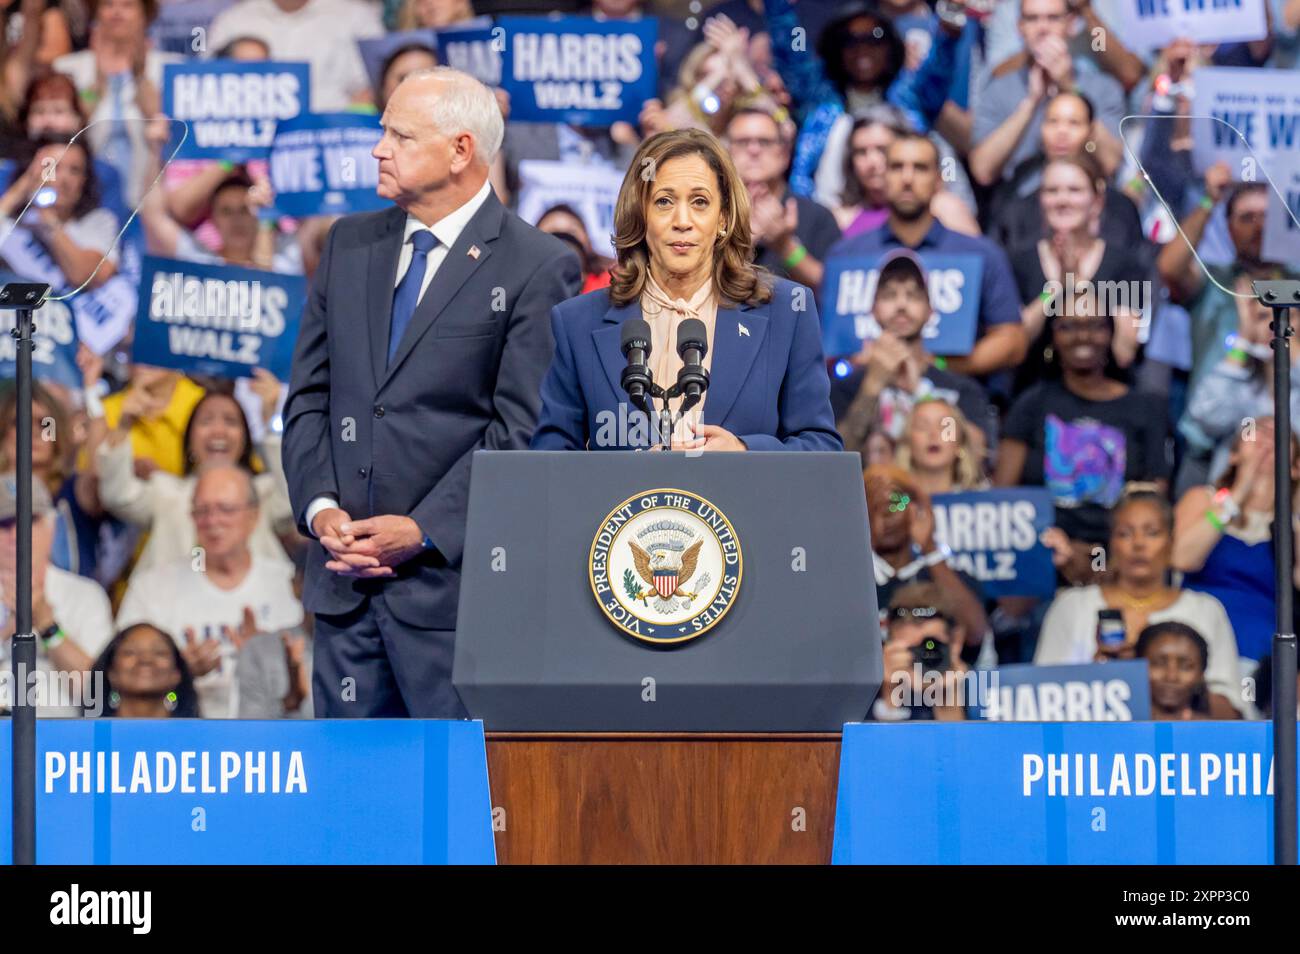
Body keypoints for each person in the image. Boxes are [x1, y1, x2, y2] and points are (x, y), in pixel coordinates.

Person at [283, 67, 581, 718]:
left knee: (453, 805)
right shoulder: (348, 244)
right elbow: (309, 395)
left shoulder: (536, 265)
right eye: (381, 131)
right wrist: (321, 509)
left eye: (400, 135)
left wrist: (421, 529)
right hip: (344, 591)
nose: (378, 148)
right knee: (353, 804)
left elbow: (519, 433)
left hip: (455, 599)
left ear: (460, 150)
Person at [530, 127, 841, 453]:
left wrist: (745, 452)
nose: (682, 220)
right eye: (664, 201)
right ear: (641, 215)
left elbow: (821, 448)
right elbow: (550, 463)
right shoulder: (578, 321)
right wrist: (622, 477)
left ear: (723, 218)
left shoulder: (786, 311)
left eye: (700, 202)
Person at [825, 134, 1027, 378]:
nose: (907, 179)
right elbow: (821, 345)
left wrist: (937, 366)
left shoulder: (981, 254)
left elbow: (1013, 342)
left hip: (954, 403)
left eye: (920, 168)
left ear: (938, 181)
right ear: (884, 177)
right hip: (859, 402)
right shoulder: (845, 254)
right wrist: (855, 366)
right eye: (897, 167)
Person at [1034, 486, 1245, 717]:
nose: (1138, 544)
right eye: (1125, 533)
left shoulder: (1205, 609)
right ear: (1111, 543)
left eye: (1152, 532)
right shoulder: (1072, 606)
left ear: (1171, 541)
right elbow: (1042, 700)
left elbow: (1231, 710)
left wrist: (1181, 690)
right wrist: (1095, 678)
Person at [115, 466, 303, 718]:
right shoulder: (151, 587)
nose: (212, 521)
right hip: (181, 739)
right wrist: (179, 675)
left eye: (225, 509)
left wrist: (262, 661)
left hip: (271, 739)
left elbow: (306, 690)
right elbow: (119, 687)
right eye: (202, 511)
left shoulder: (289, 585)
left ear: (254, 516)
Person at [995, 311, 1170, 580]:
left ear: (1111, 333)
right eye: (1068, 326)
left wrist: (1109, 557)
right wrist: (1053, 546)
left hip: (1122, 557)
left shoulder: (1146, 407)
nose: (1083, 335)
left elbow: (1154, 501)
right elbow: (1002, 497)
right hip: (1044, 551)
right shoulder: (1031, 404)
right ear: (1051, 336)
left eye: (1095, 325)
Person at [96, 384, 293, 575]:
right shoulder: (165, 492)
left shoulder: (262, 494)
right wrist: (123, 425)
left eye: (231, 421)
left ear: (245, 441)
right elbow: (118, 495)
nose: (219, 431)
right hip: (172, 604)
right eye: (206, 421)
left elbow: (291, 501)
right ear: (189, 442)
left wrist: (272, 421)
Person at [834, 247, 994, 455]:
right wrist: (872, 387)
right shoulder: (847, 388)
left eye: (913, 295)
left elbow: (977, 453)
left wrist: (919, 391)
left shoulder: (958, 389)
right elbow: (836, 458)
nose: (901, 304)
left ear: (930, 311)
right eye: (890, 295)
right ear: (873, 310)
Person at [1009, 153, 1149, 390]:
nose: (1062, 200)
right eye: (1052, 191)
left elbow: (1124, 350)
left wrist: (1079, 283)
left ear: (1097, 202)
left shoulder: (1126, 264)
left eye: (1074, 190)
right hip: (1034, 392)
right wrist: (1055, 290)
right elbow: (1014, 345)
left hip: (1106, 395)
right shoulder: (1018, 261)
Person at [1173, 420, 1300, 667]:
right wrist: (1237, 495)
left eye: (1279, 436)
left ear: (1295, 468)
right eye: (1257, 431)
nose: (1267, 439)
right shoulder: (1203, 500)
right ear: (1233, 454)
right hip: (1194, 640)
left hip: (1260, 654)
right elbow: (1182, 558)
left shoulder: (1295, 527)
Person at [969, 0, 1124, 189]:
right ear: (1020, 27)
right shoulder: (999, 89)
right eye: (1032, 19)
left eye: (1053, 18)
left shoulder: (1102, 87)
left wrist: (1069, 87)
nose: (1043, 28)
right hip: (1018, 206)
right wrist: (1031, 103)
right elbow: (983, 170)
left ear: (1071, 24)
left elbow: (1110, 162)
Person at [0, 472, 114, 716]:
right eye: (4, 525)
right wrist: (5, 632)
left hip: (64, 742)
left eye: (28, 521)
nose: (15, 536)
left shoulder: (85, 595)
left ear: (52, 526)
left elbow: (99, 695)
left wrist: (48, 626)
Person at [51, 0, 181, 206]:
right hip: (86, 202)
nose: (117, 12)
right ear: (96, 13)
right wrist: (97, 85)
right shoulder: (68, 69)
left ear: (145, 14)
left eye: (127, 5)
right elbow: (65, 132)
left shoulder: (171, 67)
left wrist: (142, 82)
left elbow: (177, 134)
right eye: (108, 5)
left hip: (153, 198)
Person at [864, 464, 987, 646]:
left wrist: (930, 549)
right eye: (873, 507)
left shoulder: (947, 577)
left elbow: (975, 632)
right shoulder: (853, 586)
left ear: (916, 509)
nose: (884, 516)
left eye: (894, 504)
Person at [725, 107, 841, 293]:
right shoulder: (713, 215)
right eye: (742, 142)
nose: (754, 150)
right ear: (727, 153)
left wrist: (786, 247)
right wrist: (742, 246)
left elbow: (836, 291)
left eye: (765, 142)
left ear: (784, 154)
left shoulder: (817, 216)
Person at [206, 0, 384, 111]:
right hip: (248, 146)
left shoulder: (357, 17)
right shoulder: (232, 20)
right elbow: (204, 87)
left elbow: (375, 88)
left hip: (332, 137)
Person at [834, 107, 979, 239]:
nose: (872, 162)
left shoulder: (944, 210)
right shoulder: (841, 220)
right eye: (861, 152)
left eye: (882, 150)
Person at [870, 581, 972, 721]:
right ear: (888, 646)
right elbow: (877, 742)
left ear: (955, 643)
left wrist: (946, 697)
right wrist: (890, 693)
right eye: (911, 649)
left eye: (931, 644)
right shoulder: (866, 692)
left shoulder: (980, 688)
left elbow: (960, 741)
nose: (924, 654)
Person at [90, 623, 201, 718]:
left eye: (160, 652)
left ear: (177, 673)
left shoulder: (199, 739)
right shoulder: (87, 738)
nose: (146, 659)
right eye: (130, 652)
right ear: (111, 672)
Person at [895, 397, 988, 495]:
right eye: (922, 426)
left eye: (945, 427)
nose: (933, 434)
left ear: (960, 443)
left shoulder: (979, 501)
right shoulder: (895, 504)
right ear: (908, 443)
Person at [1135, 621, 1213, 721]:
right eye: (1158, 663)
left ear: (1201, 673)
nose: (1171, 677)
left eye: (1185, 666)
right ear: (1137, 664)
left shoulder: (1213, 732)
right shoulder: (1115, 728)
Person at [536, 204, 612, 295]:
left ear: (587, 240)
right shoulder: (524, 290)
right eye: (554, 232)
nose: (564, 241)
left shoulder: (610, 284)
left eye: (572, 232)